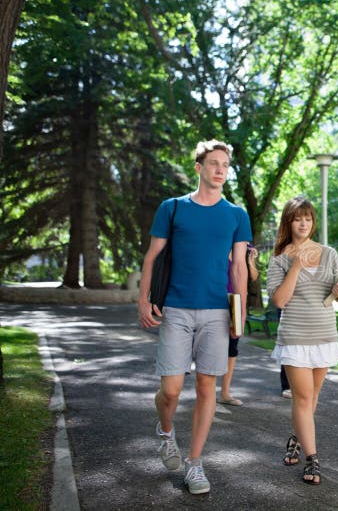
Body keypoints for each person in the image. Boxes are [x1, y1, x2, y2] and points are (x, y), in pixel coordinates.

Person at [138, 140, 251, 495]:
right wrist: (143, 300)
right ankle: (166, 433)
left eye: (225, 165)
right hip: (176, 308)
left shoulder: (236, 214)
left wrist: (241, 309)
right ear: (199, 167)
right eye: (213, 163)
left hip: (217, 312)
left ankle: (195, 464)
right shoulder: (172, 208)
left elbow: (239, 265)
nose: (220, 169)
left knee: (207, 387)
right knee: (170, 391)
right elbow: (152, 256)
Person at [266, 197, 338, 485]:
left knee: (311, 399)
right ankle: (312, 459)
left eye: (308, 218)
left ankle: (296, 438)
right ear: (288, 222)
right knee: (302, 398)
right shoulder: (279, 257)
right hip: (295, 337)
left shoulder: (329, 253)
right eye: (297, 218)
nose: (303, 223)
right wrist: (296, 266)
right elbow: (278, 300)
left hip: (325, 334)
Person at [218, 243, 262, 406]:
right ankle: (204, 391)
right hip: (215, 300)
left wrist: (251, 260)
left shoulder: (246, 248)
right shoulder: (219, 239)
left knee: (232, 346)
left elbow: (254, 277)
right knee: (211, 345)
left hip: (235, 301)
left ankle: (224, 392)